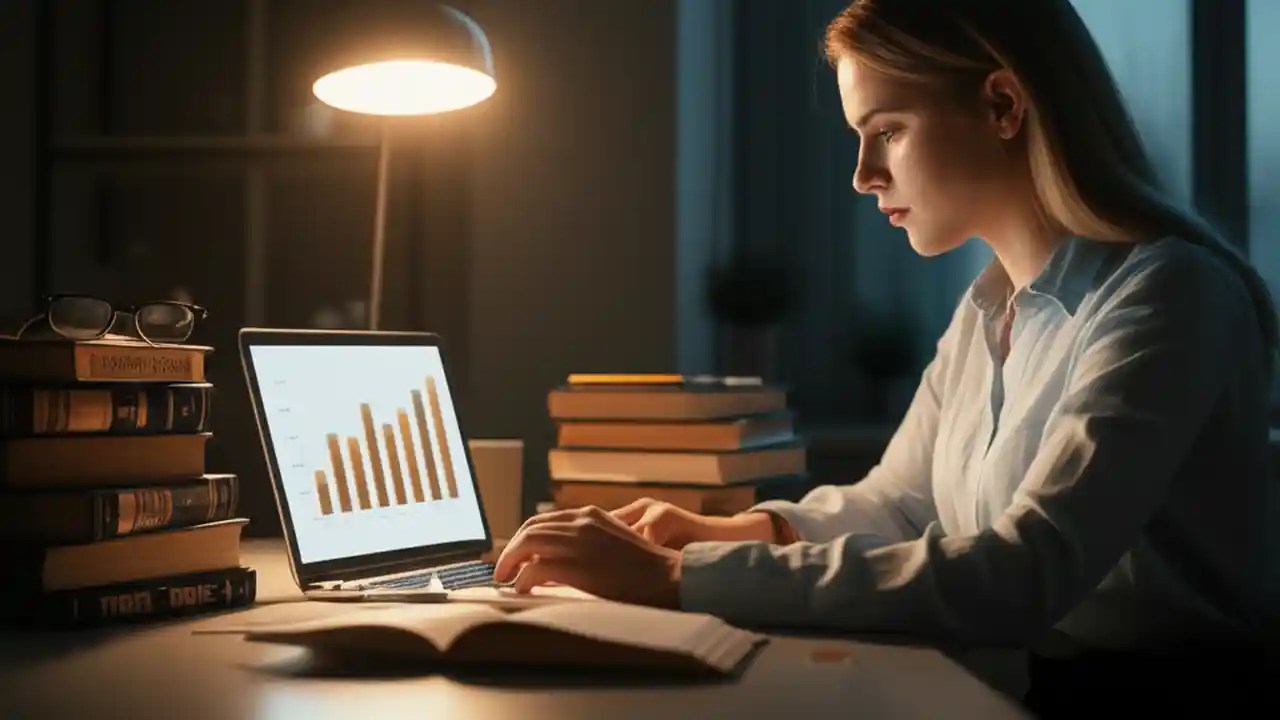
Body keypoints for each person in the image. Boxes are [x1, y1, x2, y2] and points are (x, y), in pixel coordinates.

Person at [495, 0, 1278, 712]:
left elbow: (1024, 573)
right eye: (859, 138)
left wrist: (674, 578)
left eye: (889, 131)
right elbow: (901, 503)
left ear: (1003, 105)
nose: (864, 176)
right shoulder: (986, 311)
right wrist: (716, 534)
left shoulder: (1169, 295)